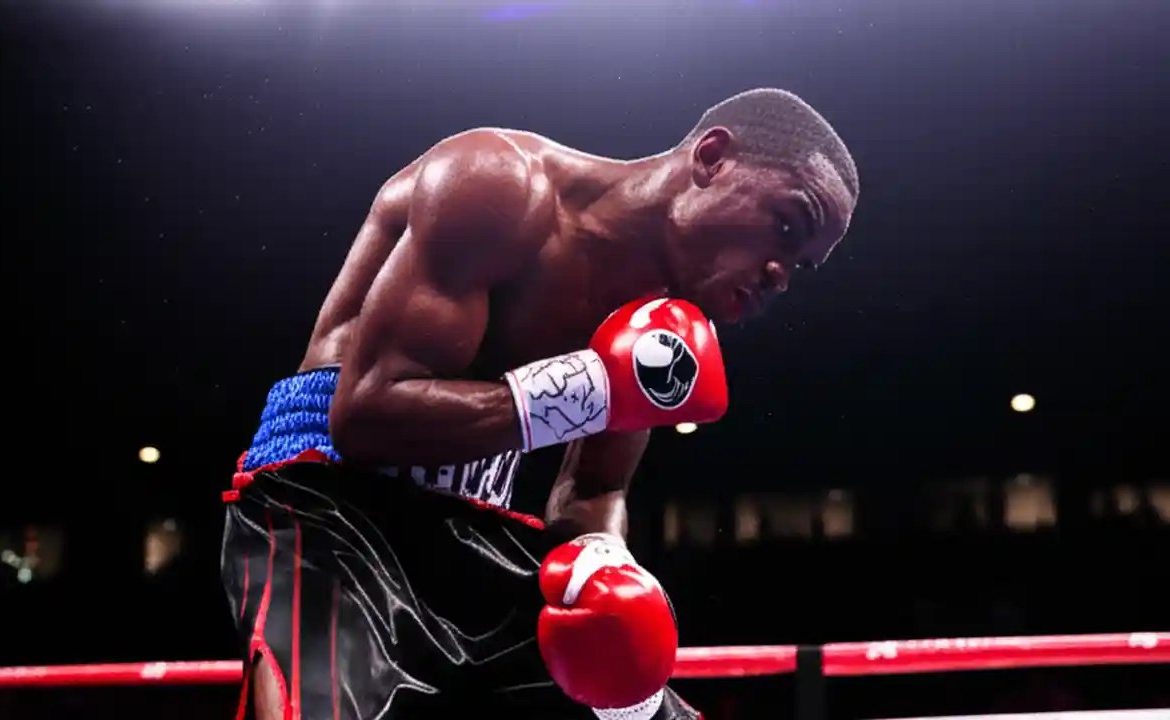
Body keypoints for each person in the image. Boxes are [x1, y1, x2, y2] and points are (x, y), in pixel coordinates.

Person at [220, 87, 859, 720]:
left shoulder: (659, 329)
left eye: (801, 264)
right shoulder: (498, 184)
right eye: (786, 224)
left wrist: (604, 571)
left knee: (634, 707)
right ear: (711, 158)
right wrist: (593, 390)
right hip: (325, 495)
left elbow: (594, 491)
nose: (781, 274)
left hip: (465, 520)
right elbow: (364, 415)